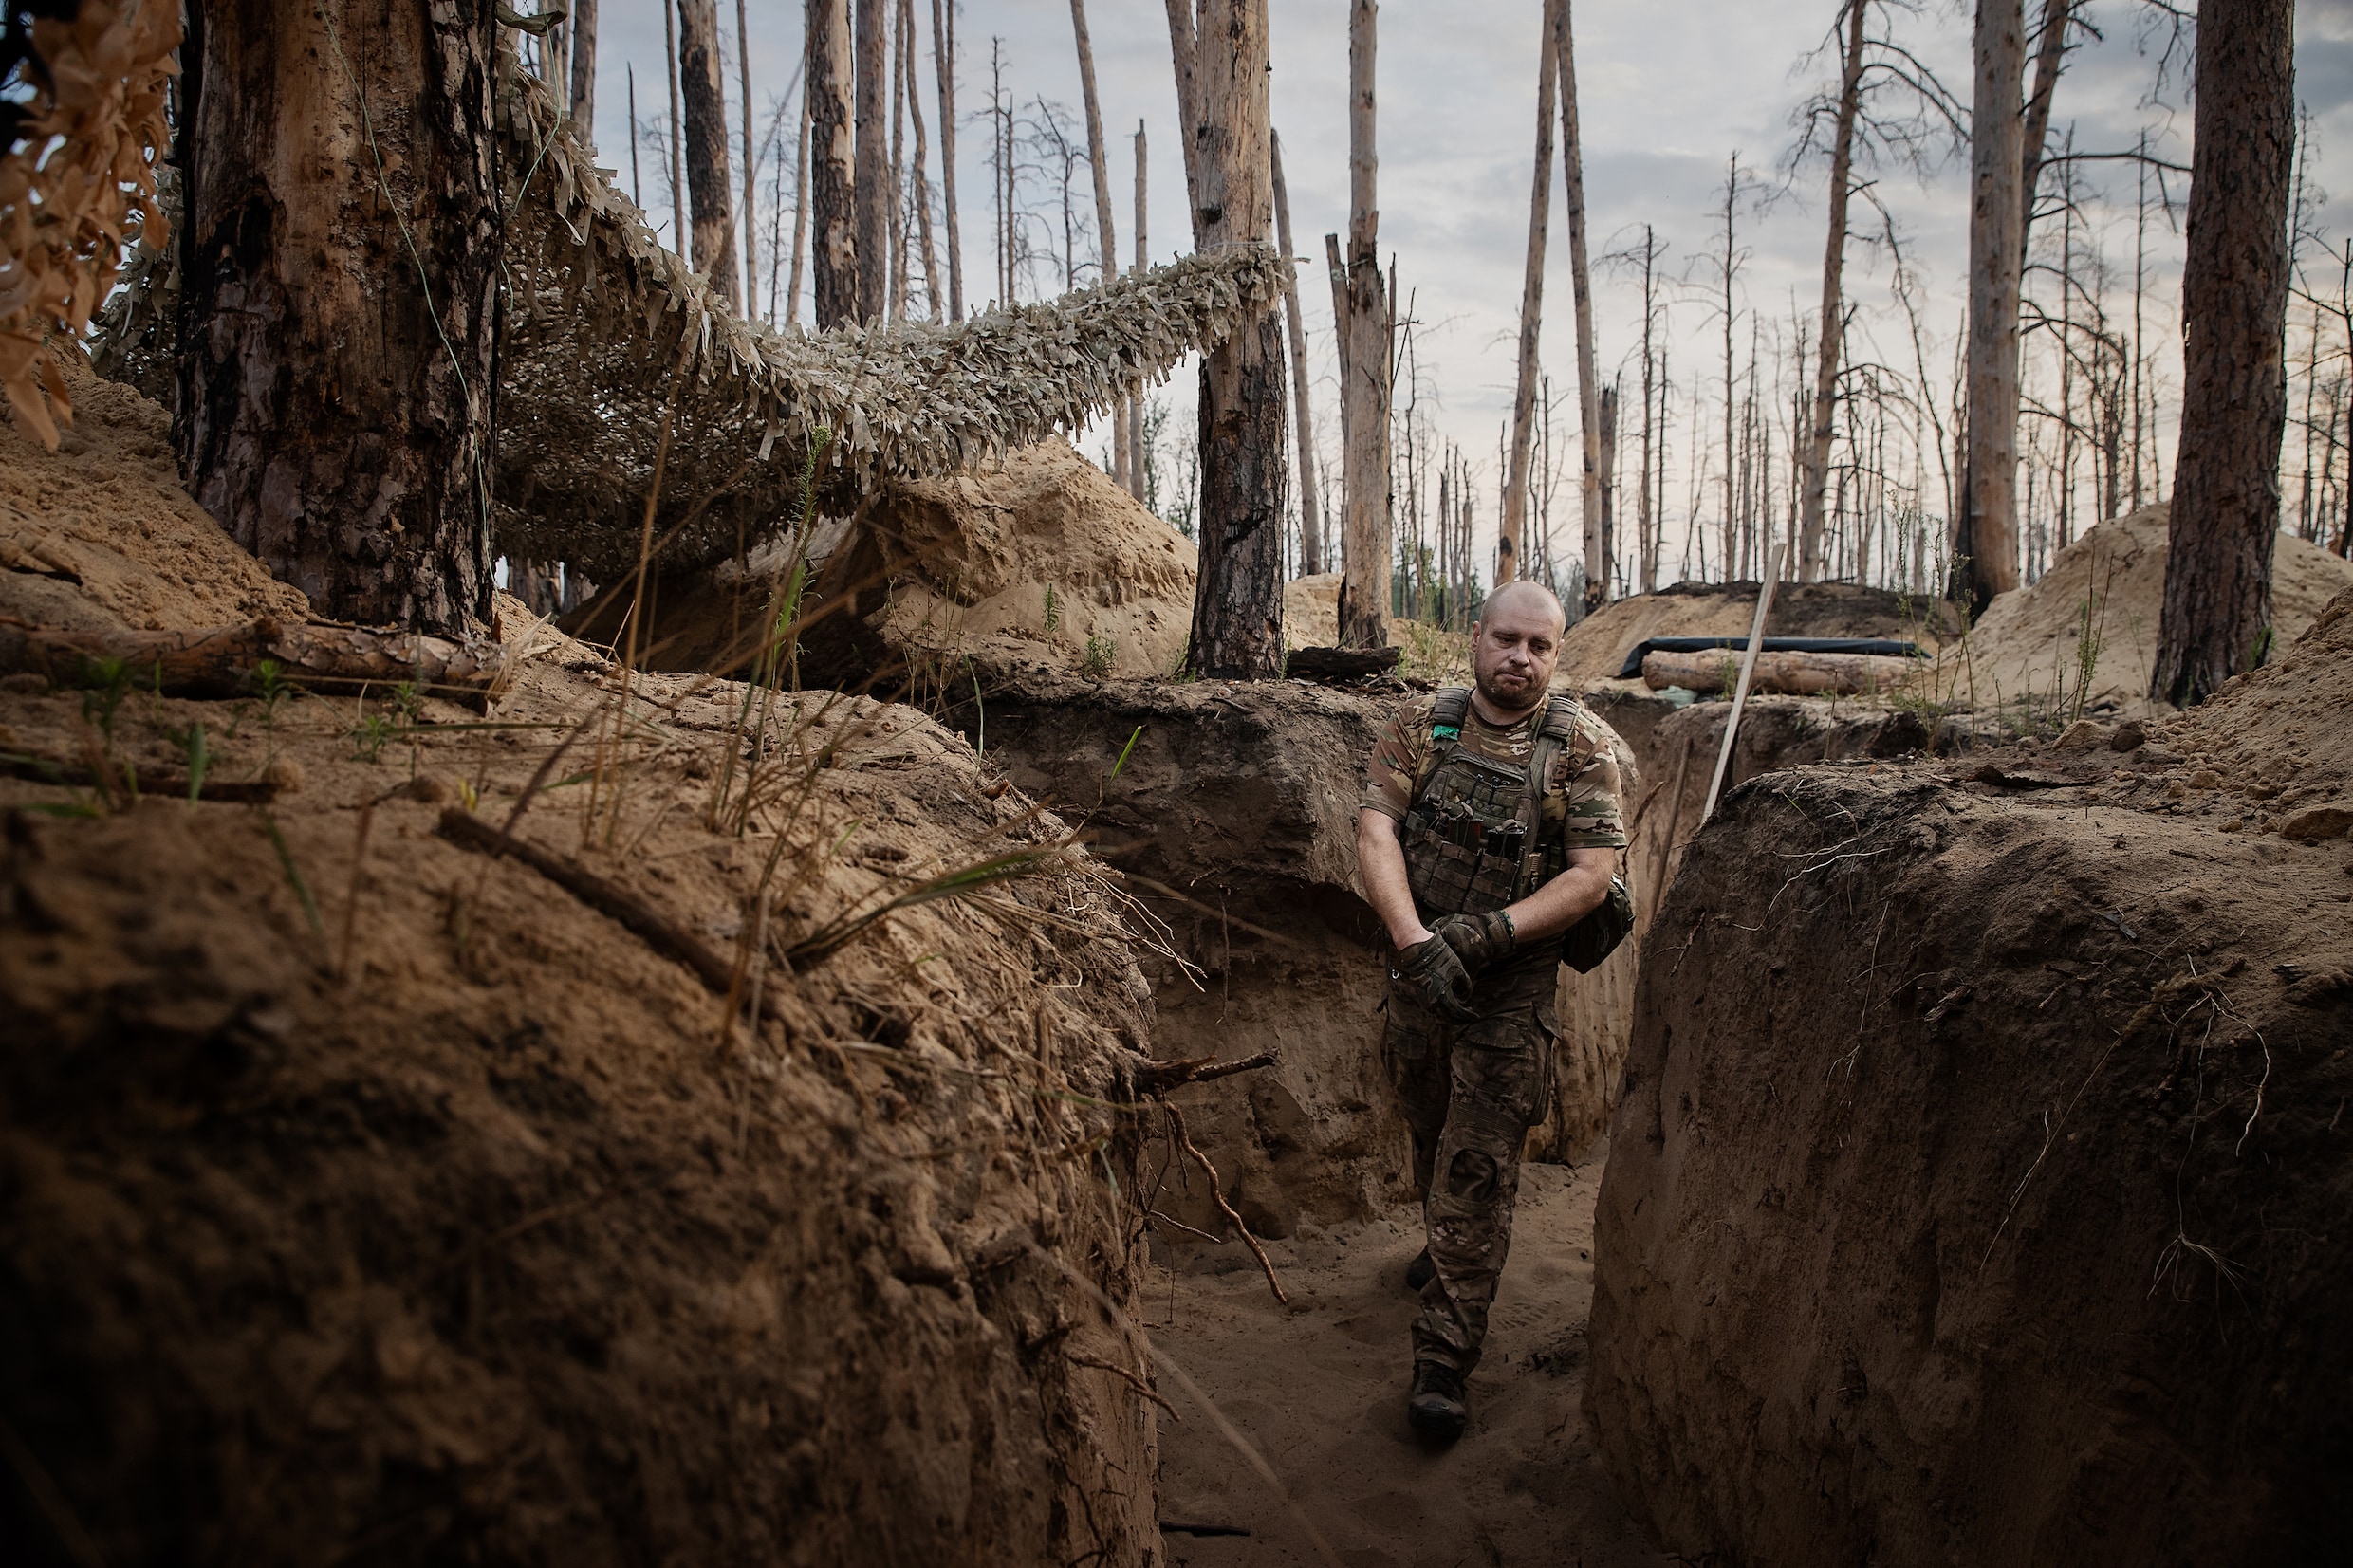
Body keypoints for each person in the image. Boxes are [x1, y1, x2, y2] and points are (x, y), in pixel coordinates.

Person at [1355, 580, 1628, 1442]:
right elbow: (1375, 829)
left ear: (1557, 653)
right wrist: (1414, 941)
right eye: (1507, 639)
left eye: (1540, 646)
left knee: (1476, 1164)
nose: (1520, 658)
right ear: (1476, 639)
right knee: (1427, 1115)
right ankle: (1442, 1247)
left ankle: (1444, 1358)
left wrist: (1487, 935)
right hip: (1419, 969)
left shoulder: (1582, 749)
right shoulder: (1423, 726)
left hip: (1509, 988)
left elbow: (1592, 874)